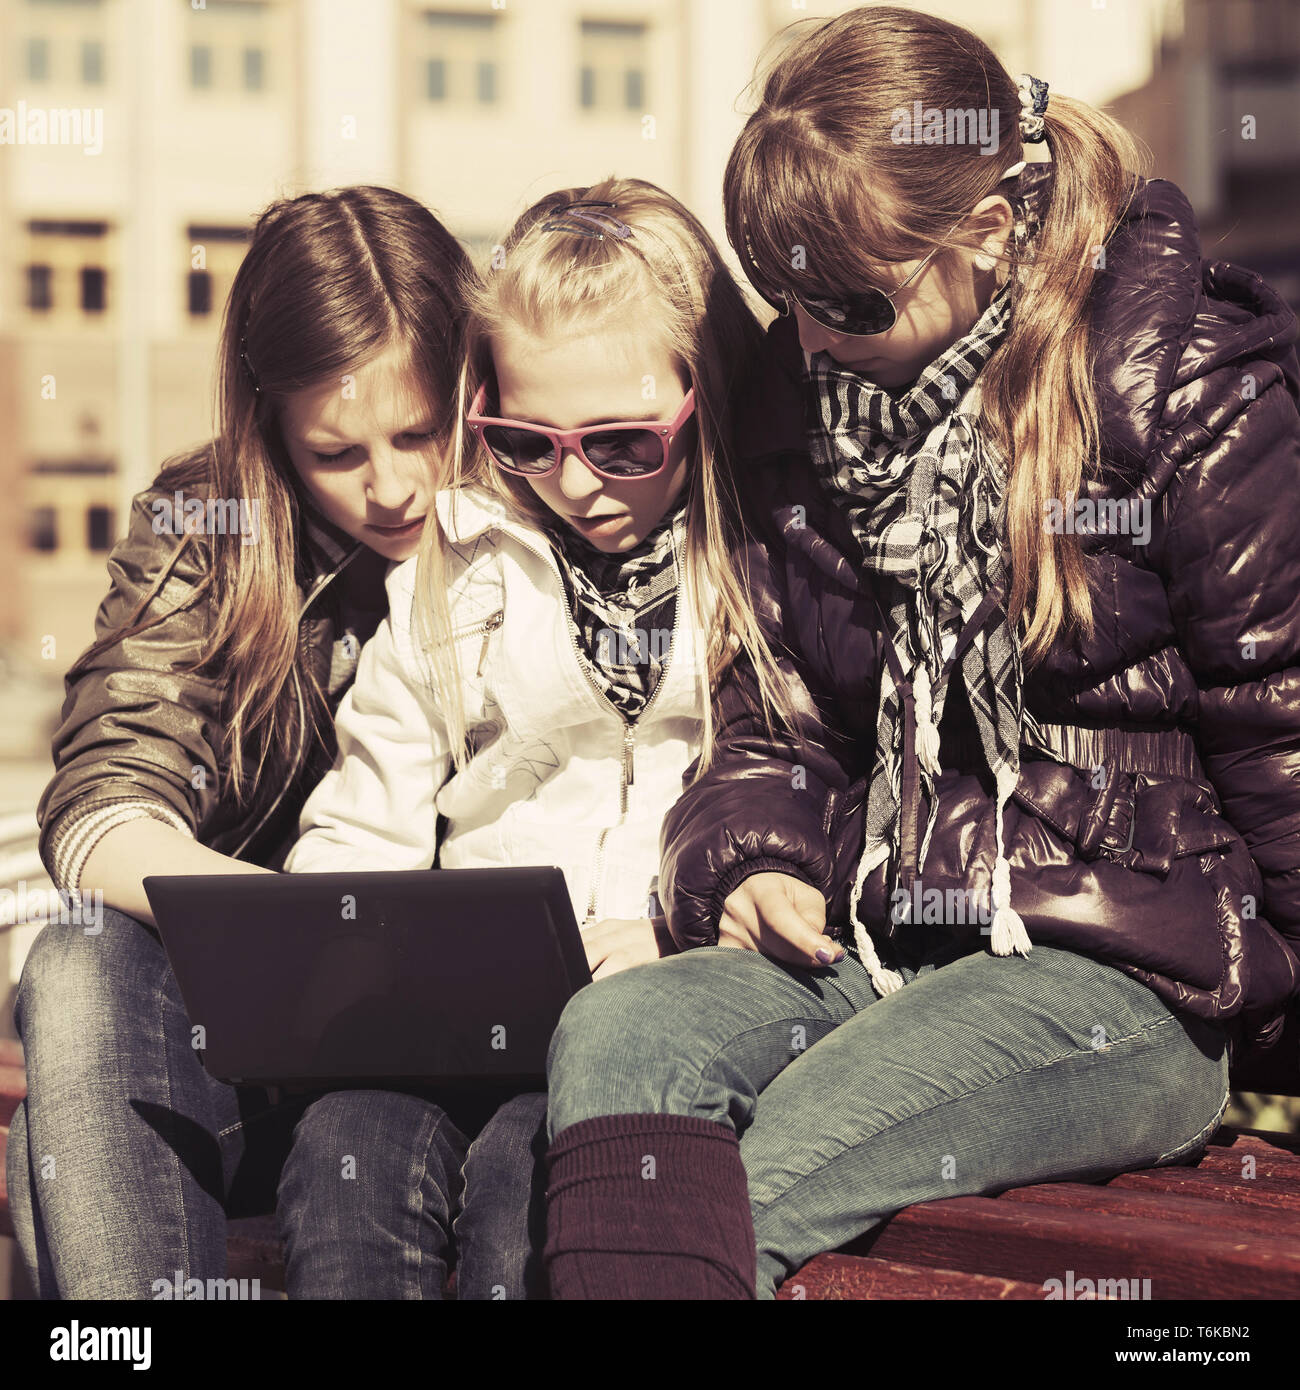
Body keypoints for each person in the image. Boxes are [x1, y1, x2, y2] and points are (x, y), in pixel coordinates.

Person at [541, 6, 1300, 1300]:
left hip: (1119, 958)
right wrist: (762, 852)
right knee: (617, 1028)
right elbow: (773, 713)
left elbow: (1276, 722)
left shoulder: (1180, 382)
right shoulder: (805, 400)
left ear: (989, 232)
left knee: (756, 1179)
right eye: (787, 295)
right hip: (881, 933)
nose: (813, 337)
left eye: (847, 300)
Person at [274, 177, 788, 1298]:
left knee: (527, 1183)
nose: (575, 482)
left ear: (705, 395)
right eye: (523, 442)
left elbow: (806, 804)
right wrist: (339, 947)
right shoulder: (453, 568)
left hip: (642, 1016)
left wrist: (676, 935)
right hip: (453, 1010)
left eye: (621, 444)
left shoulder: (768, 568)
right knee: (342, 1162)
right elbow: (370, 808)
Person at [9, 186, 472, 1299]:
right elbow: (105, 798)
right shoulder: (205, 527)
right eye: (336, 451)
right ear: (268, 425)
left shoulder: (555, 500)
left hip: (465, 1063)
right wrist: (300, 930)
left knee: (35, 1176)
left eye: (420, 432)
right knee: (74, 956)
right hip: (262, 1046)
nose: (394, 485)